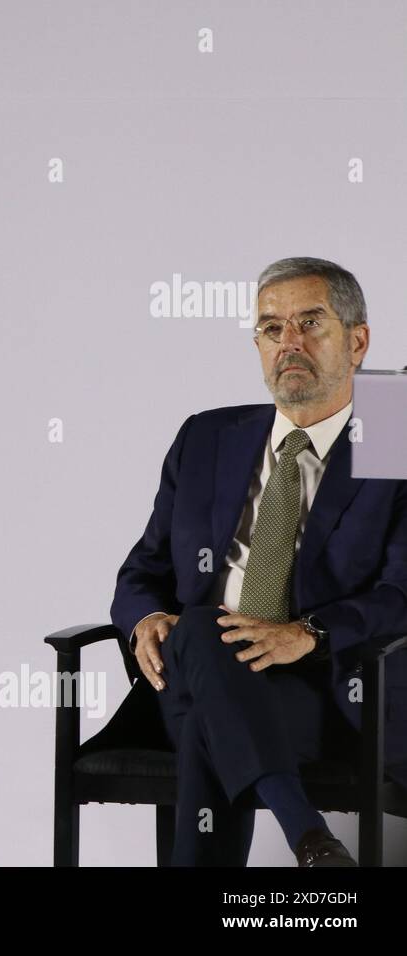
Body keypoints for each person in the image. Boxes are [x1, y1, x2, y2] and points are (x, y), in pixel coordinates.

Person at [111, 257, 407, 867]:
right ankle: (312, 839)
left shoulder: (388, 429)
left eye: (310, 323)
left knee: (206, 719)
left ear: (358, 342)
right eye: (271, 329)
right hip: (192, 673)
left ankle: (306, 837)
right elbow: (143, 571)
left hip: (330, 687)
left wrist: (308, 635)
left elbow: (400, 591)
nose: (288, 344)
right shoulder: (209, 437)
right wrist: (144, 620)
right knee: (199, 630)